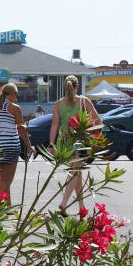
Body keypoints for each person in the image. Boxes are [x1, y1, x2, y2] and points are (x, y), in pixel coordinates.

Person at [49, 75, 101, 216]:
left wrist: (51, 144)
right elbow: (98, 120)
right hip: (80, 140)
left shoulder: (59, 104)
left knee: (76, 172)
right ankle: (64, 202)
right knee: (75, 172)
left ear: (66, 87)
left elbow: (54, 125)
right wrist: (95, 137)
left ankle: (81, 207)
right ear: (77, 86)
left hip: (64, 141)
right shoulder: (84, 101)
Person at [0, 83, 32, 201]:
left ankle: (6, 208)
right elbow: (21, 129)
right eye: (16, 94)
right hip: (11, 146)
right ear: (13, 94)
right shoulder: (15, 108)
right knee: (6, 182)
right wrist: (30, 146)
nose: (17, 97)